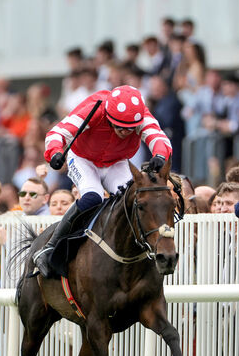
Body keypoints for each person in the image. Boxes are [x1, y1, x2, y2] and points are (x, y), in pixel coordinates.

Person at [34, 85, 173, 278]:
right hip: (84, 159)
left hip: (116, 161)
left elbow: (159, 137)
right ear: (108, 116)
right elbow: (57, 133)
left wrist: (159, 155)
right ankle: (49, 247)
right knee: (93, 196)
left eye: (130, 129)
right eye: (119, 127)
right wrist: (56, 152)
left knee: (131, 200)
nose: (125, 132)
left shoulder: (140, 114)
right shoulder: (94, 108)